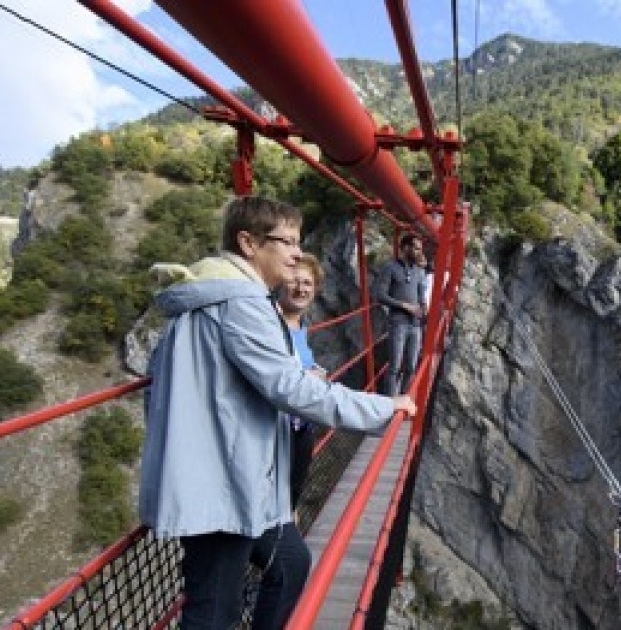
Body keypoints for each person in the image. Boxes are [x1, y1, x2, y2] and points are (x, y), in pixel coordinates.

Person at [139, 196, 416, 630]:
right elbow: (290, 388)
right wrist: (383, 407)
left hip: (230, 478)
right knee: (213, 614)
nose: (295, 253)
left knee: (286, 565)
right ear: (248, 243)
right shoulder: (240, 303)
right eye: (286, 242)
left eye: (297, 242)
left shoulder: (207, 297)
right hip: (222, 485)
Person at [276, 254, 328, 511]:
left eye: (307, 283)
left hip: (302, 423)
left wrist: (313, 371)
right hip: (277, 429)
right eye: (294, 281)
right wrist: (307, 378)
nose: (301, 289)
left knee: (294, 490)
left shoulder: (300, 324)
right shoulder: (271, 324)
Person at [374, 234, 428, 395]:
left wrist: (424, 305)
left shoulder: (418, 271)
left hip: (416, 325)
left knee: (411, 366)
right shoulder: (390, 268)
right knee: (394, 367)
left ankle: (404, 398)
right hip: (398, 323)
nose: (419, 252)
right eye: (416, 248)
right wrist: (404, 306)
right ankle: (390, 403)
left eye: (420, 249)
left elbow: (421, 295)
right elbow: (379, 295)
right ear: (405, 248)